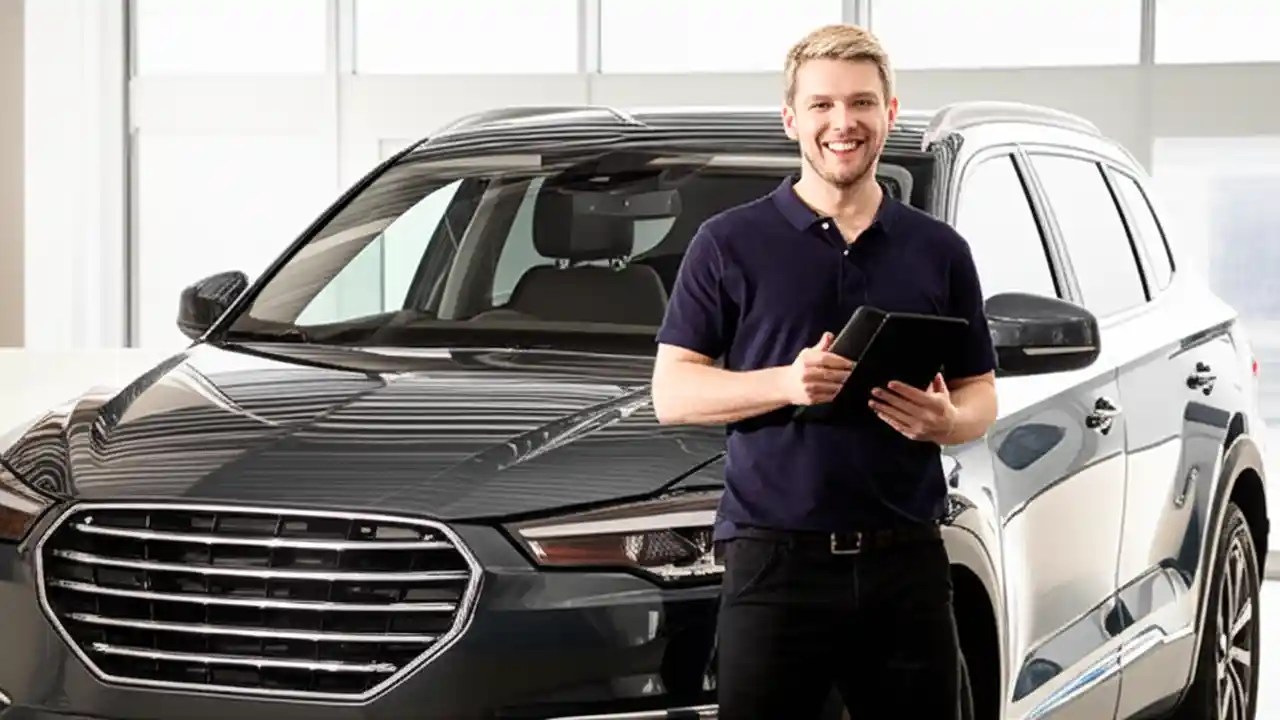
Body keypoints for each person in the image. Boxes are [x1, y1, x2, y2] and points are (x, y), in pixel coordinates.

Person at [650, 23, 999, 720]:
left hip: (908, 561)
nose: (844, 123)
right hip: (774, 565)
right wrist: (785, 382)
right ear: (791, 120)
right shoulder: (728, 244)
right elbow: (672, 392)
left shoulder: (940, 251)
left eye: (862, 103)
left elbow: (979, 394)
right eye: (822, 105)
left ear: (889, 115)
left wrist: (947, 421)